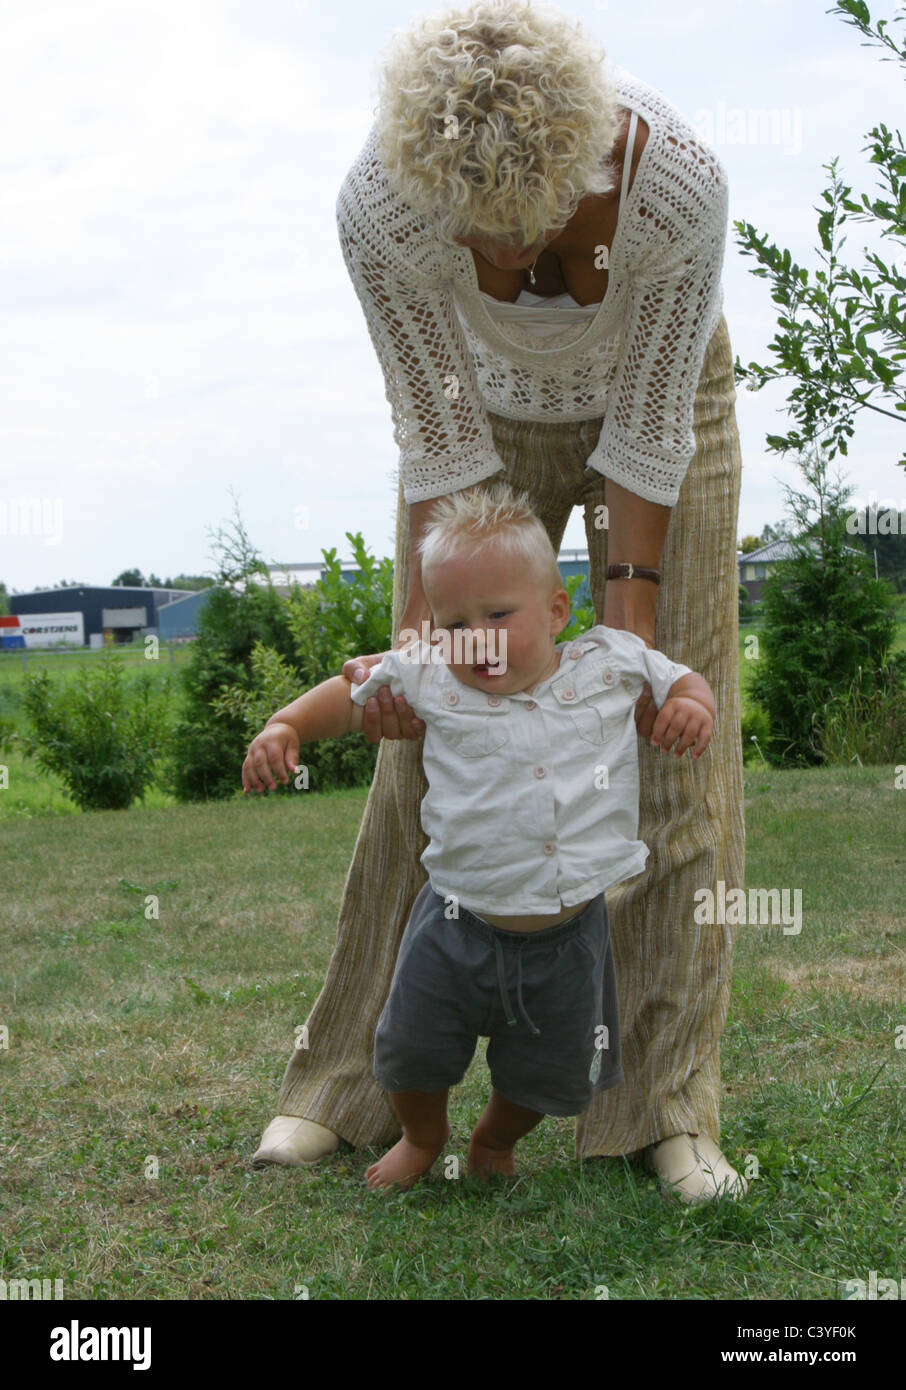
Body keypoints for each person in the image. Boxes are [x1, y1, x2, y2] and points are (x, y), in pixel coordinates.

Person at [252, 0, 747, 1203]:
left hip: (660, 410)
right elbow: (433, 431)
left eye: (524, 238)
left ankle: (665, 1108)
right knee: (424, 739)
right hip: (473, 427)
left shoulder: (676, 184)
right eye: (477, 239)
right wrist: (439, 643)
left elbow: (645, 435)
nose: (503, 267)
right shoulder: (379, 205)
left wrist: (628, 635)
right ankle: (341, 1085)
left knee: (679, 742)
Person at [244, 483, 727, 1192]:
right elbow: (348, 699)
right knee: (411, 1052)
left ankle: (495, 1139)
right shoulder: (433, 678)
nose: (478, 638)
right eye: (455, 622)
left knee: (552, 1072)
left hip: (571, 938)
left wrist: (690, 703)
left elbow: (686, 679)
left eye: (499, 614)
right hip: (453, 924)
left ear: (557, 609)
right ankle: (421, 1136)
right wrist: (285, 725)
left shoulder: (611, 662)